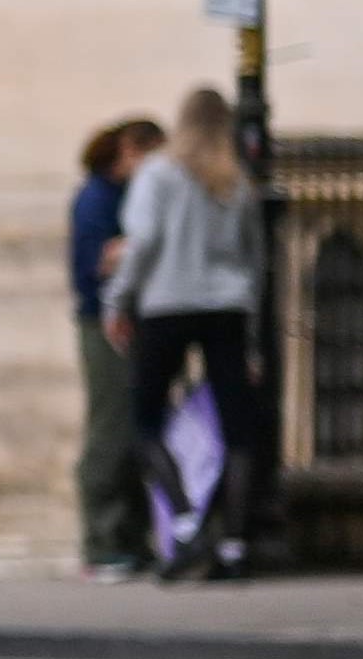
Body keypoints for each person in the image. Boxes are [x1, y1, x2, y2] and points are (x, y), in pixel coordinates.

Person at [108, 87, 265, 584]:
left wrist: (117, 299)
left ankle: (185, 520)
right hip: (227, 308)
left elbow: (144, 243)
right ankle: (236, 546)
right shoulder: (235, 180)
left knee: (145, 419)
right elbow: (254, 261)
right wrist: (255, 335)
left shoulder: (158, 173)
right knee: (238, 428)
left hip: (168, 305)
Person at [67, 119, 158, 581]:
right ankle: (102, 544)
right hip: (101, 322)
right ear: (128, 150)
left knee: (136, 431)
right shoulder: (96, 197)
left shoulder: (121, 195)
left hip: (128, 318)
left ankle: (132, 539)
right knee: (110, 429)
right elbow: (95, 263)